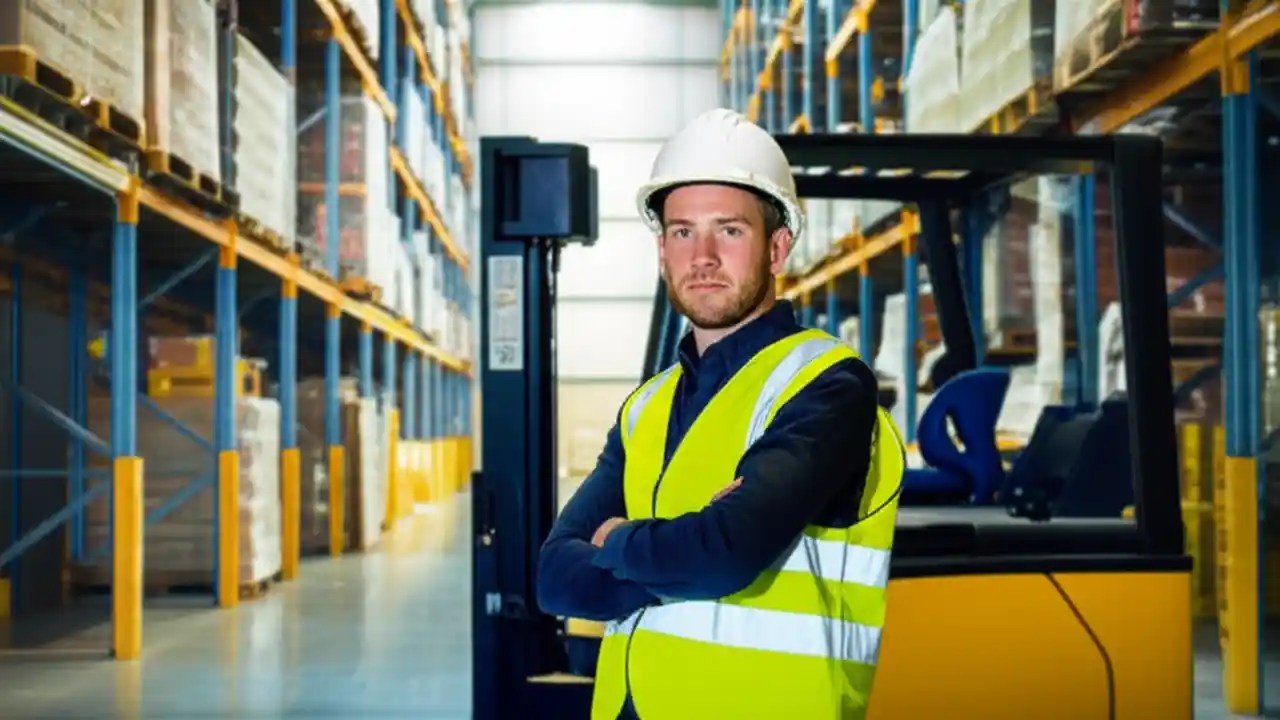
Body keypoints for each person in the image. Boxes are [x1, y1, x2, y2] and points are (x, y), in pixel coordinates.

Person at [535, 108, 906, 719]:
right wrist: (684, 549)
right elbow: (555, 576)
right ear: (662, 250)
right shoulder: (647, 406)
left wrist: (620, 539)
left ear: (778, 247)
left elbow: (726, 552)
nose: (702, 255)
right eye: (683, 232)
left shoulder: (826, 385)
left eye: (729, 231)